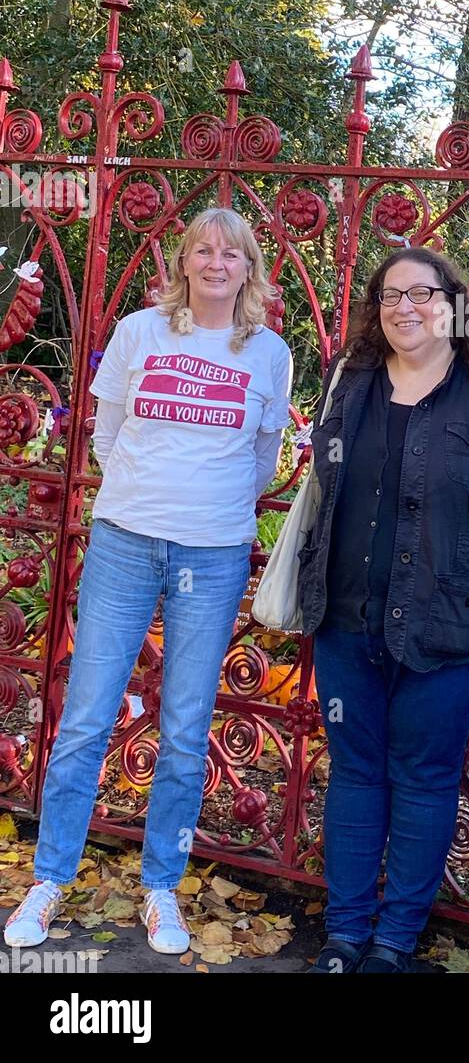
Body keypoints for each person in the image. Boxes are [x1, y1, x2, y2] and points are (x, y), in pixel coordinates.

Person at [3, 207, 293, 955]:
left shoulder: (268, 353)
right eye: (203, 249)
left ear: (248, 268)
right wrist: (143, 492)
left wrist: (209, 505)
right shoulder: (139, 333)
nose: (215, 262)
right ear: (183, 261)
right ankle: (50, 876)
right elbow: (105, 430)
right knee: (87, 716)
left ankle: (162, 885)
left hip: (213, 553)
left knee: (185, 728)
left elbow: (263, 457)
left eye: (231, 253)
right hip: (127, 542)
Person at [297, 247, 469, 974]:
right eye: (389, 296)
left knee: (422, 777)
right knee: (354, 772)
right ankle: (345, 937)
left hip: (449, 626)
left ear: (452, 303)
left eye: (421, 294)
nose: (404, 309)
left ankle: (391, 944)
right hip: (346, 617)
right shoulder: (349, 380)